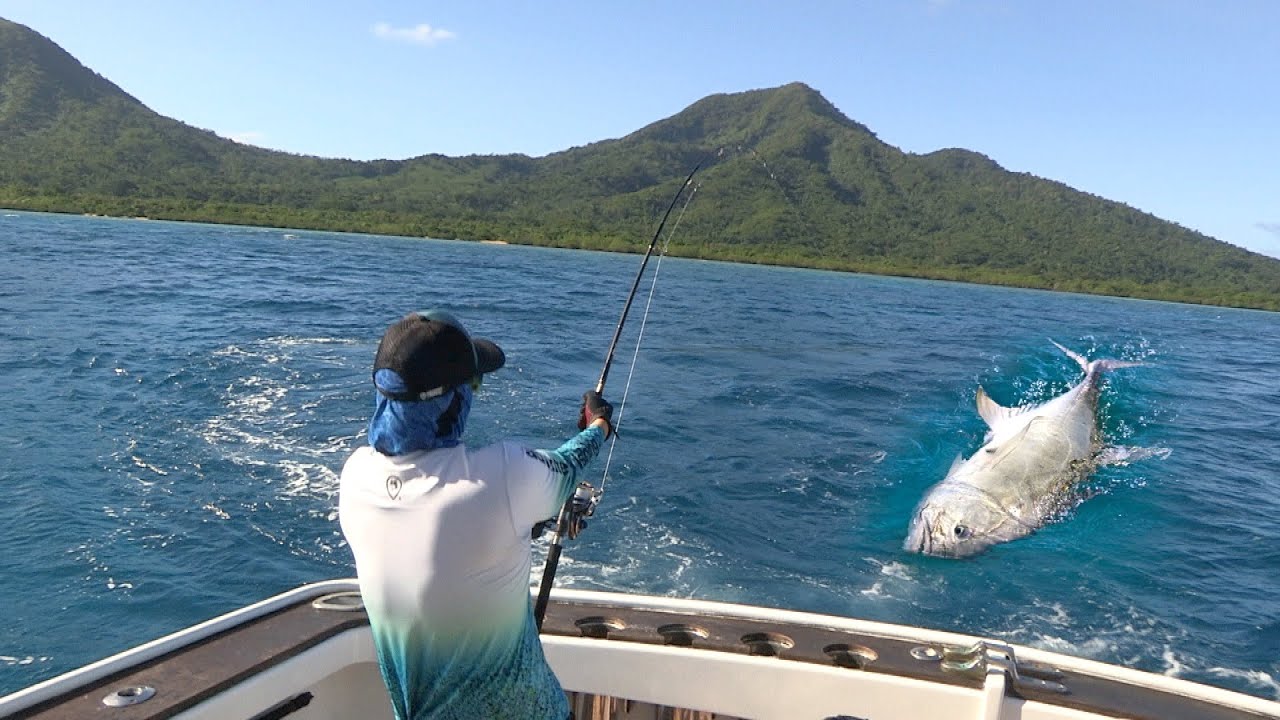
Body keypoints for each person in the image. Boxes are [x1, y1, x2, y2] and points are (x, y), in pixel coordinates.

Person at [338, 310, 613, 720]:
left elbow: (435, 538)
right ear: (451, 401)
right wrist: (599, 425)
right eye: (473, 385)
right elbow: (568, 466)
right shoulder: (504, 475)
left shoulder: (355, 479)